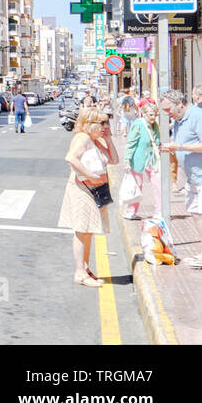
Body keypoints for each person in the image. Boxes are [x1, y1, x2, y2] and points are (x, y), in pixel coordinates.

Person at [58, 105, 117, 286]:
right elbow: (70, 158)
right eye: (102, 123)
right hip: (82, 190)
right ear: (90, 123)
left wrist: (109, 139)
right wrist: (90, 175)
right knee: (82, 231)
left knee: (88, 232)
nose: (105, 126)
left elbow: (114, 160)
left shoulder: (96, 139)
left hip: (94, 191)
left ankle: (85, 268)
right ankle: (80, 273)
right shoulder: (82, 138)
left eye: (107, 123)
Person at [161, 88, 202, 216]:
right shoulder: (178, 120)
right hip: (192, 179)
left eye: (168, 109)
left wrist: (180, 147)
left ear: (179, 103)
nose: (167, 113)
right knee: (196, 214)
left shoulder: (198, 116)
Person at [124, 98, 161, 220]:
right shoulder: (138, 124)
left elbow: (157, 141)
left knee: (158, 184)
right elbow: (131, 143)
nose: (153, 117)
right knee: (137, 186)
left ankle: (159, 211)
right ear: (144, 114)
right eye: (151, 114)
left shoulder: (155, 125)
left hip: (152, 159)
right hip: (138, 159)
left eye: (155, 115)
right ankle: (130, 211)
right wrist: (127, 160)